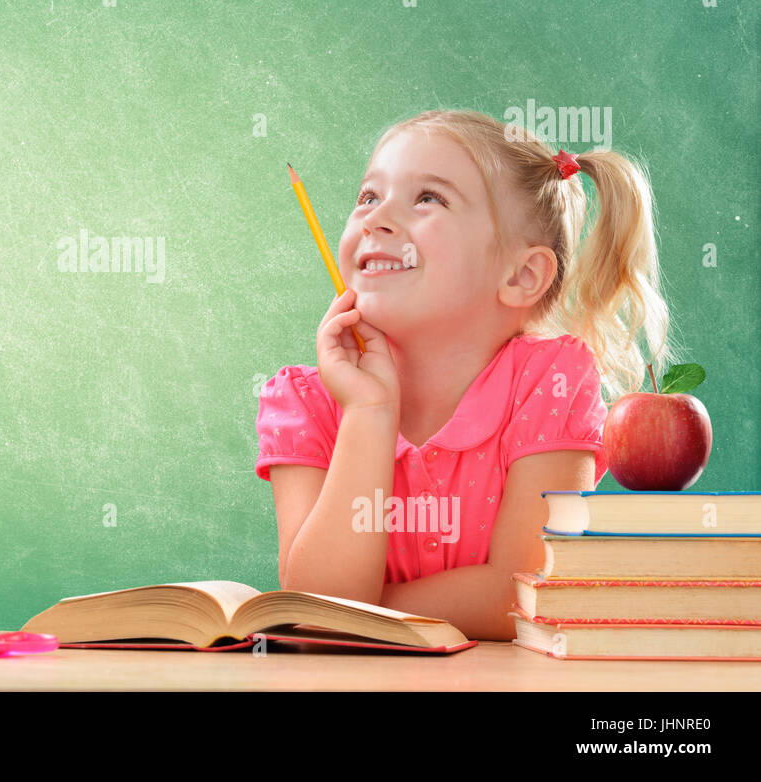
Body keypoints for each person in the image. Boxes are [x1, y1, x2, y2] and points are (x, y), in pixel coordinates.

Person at [255, 110, 680, 640]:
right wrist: (369, 412)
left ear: (522, 275)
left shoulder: (552, 382)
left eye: (428, 198)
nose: (375, 219)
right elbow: (319, 604)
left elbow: (524, 590)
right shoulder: (303, 403)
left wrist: (358, 610)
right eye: (369, 196)